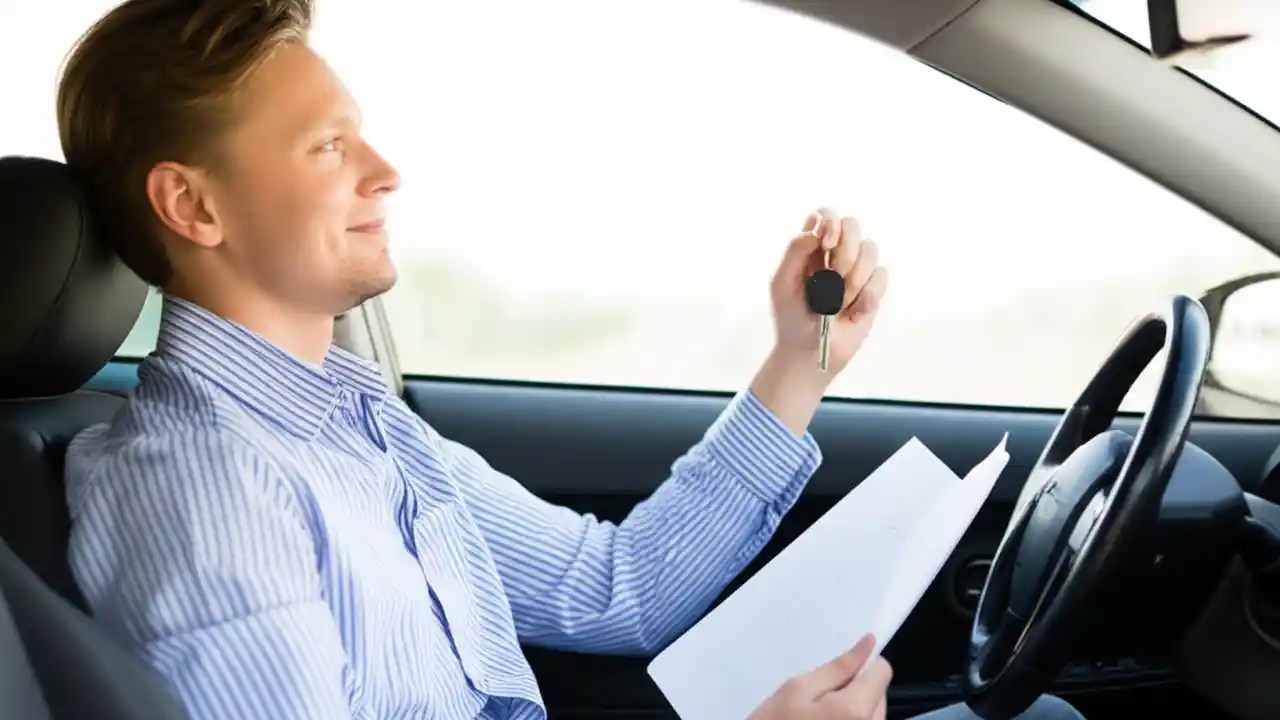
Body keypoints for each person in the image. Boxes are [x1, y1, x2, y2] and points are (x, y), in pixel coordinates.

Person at [54, 1, 1081, 719]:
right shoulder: (207, 494)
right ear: (193, 204)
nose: (386, 171)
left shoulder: (358, 431)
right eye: (328, 148)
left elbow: (618, 588)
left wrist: (798, 360)